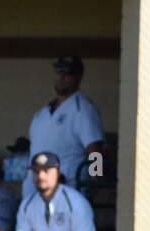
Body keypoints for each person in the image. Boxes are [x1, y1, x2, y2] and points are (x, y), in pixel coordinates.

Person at [22, 55, 104, 200]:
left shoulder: (83, 109)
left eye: (68, 73)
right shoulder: (41, 114)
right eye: (59, 72)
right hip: (33, 188)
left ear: (78, 77)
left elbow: (95, 149)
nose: (62, 77)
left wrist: (95, 180)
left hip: (65, 188)